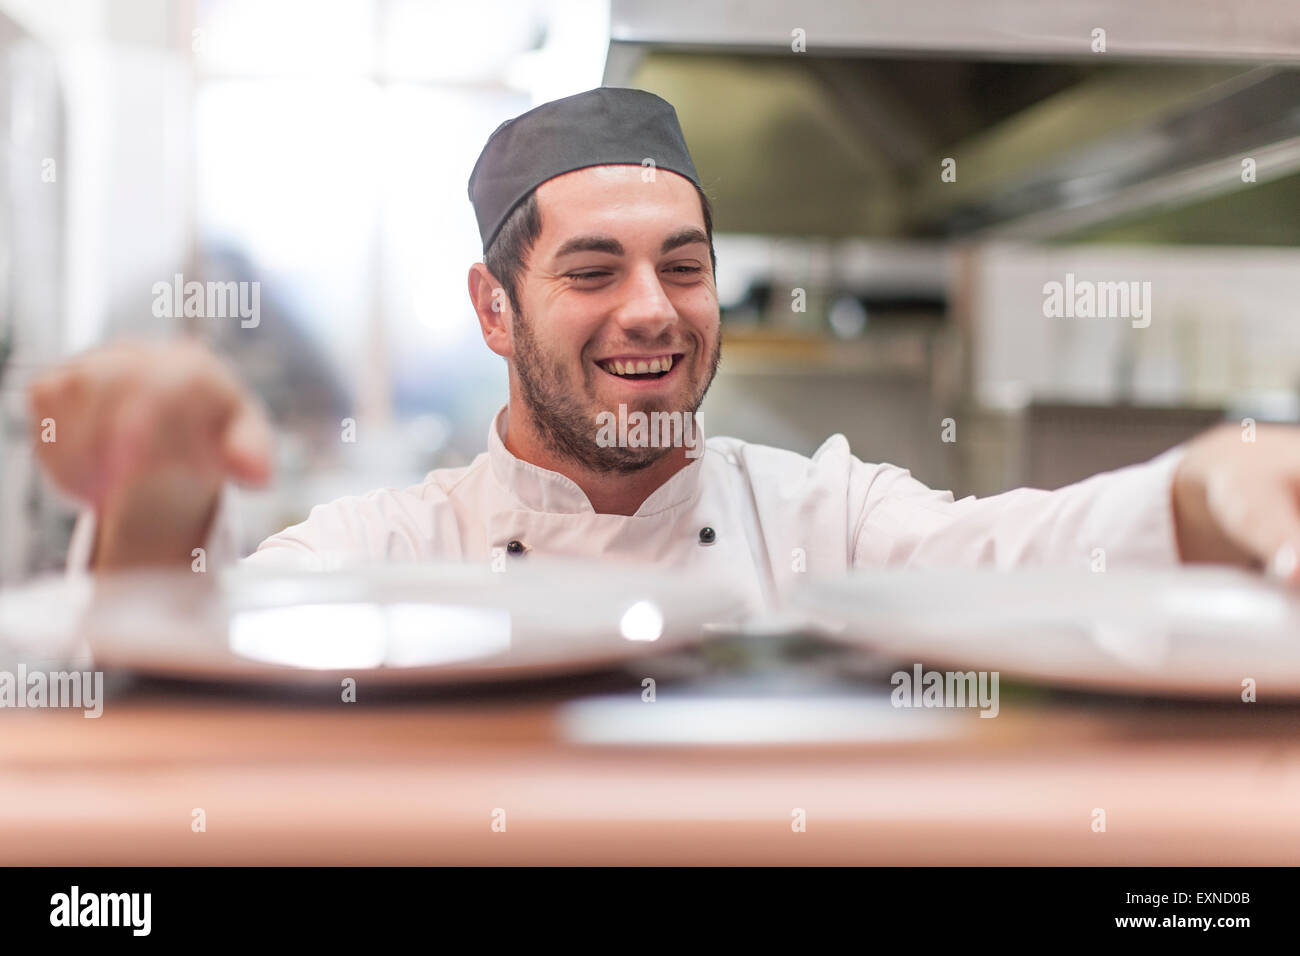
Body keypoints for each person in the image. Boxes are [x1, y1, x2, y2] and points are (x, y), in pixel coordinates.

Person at [26, 87, 1300, 612]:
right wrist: (161, 495)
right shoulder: (390, 556)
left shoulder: (823, 514)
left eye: (682, 266)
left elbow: (1023, 550)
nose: (653, 308)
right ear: (492, 308)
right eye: (593, 269)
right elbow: (205, 642)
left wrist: (1196, 484)